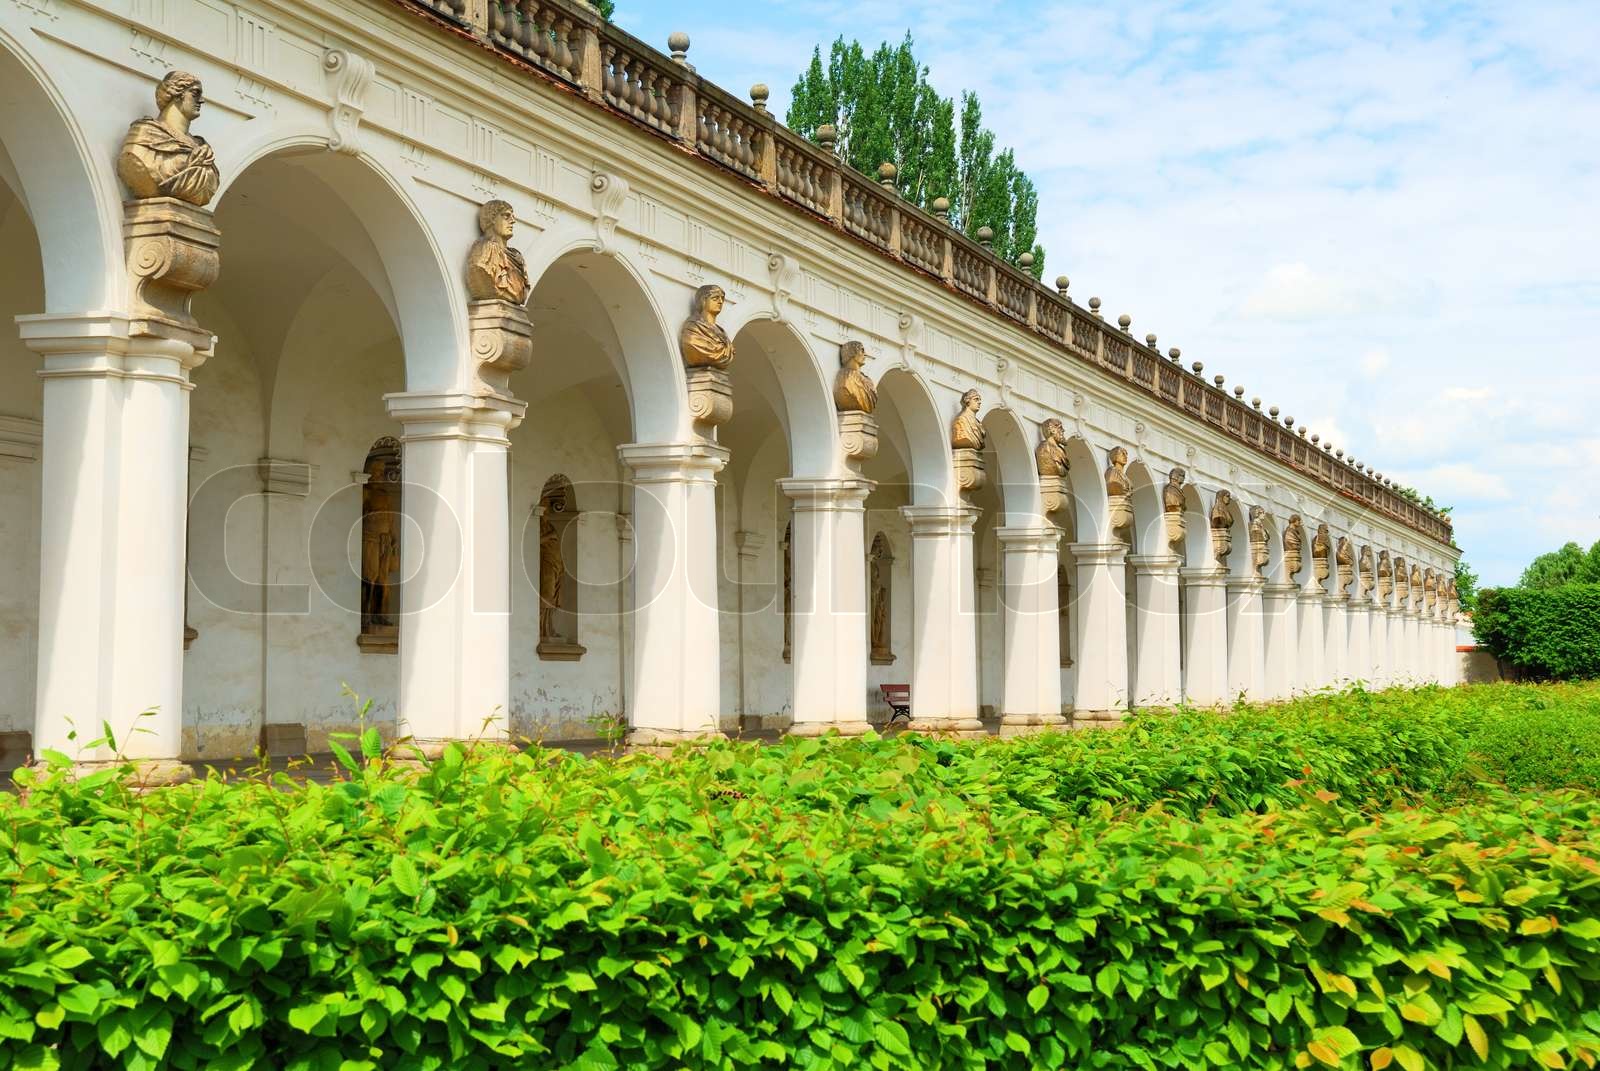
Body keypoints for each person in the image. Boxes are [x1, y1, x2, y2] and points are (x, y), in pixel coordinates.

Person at [117, 71, 219, 206]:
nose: (201, 100)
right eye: (195, 94)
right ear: (176, 94)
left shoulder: (202, 148)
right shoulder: (144, 133)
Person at [465, 200, 531, 305]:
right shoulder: (484, 250)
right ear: (492, 219)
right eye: (506, 216)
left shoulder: (517, 256)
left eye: (512, 216)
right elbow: (481, 271)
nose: (513, 221)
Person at [680, 285, 735, 368]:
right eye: (715, 298)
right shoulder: (692, 328)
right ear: (703, 300)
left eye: (722, 298)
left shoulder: (723, 334)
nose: (720, 301)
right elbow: (691, 343)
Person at [833, 341, 877, 413]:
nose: (865, 354)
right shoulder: (844, 378)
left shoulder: (867, 379)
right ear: (851, 353)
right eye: (861, 350)